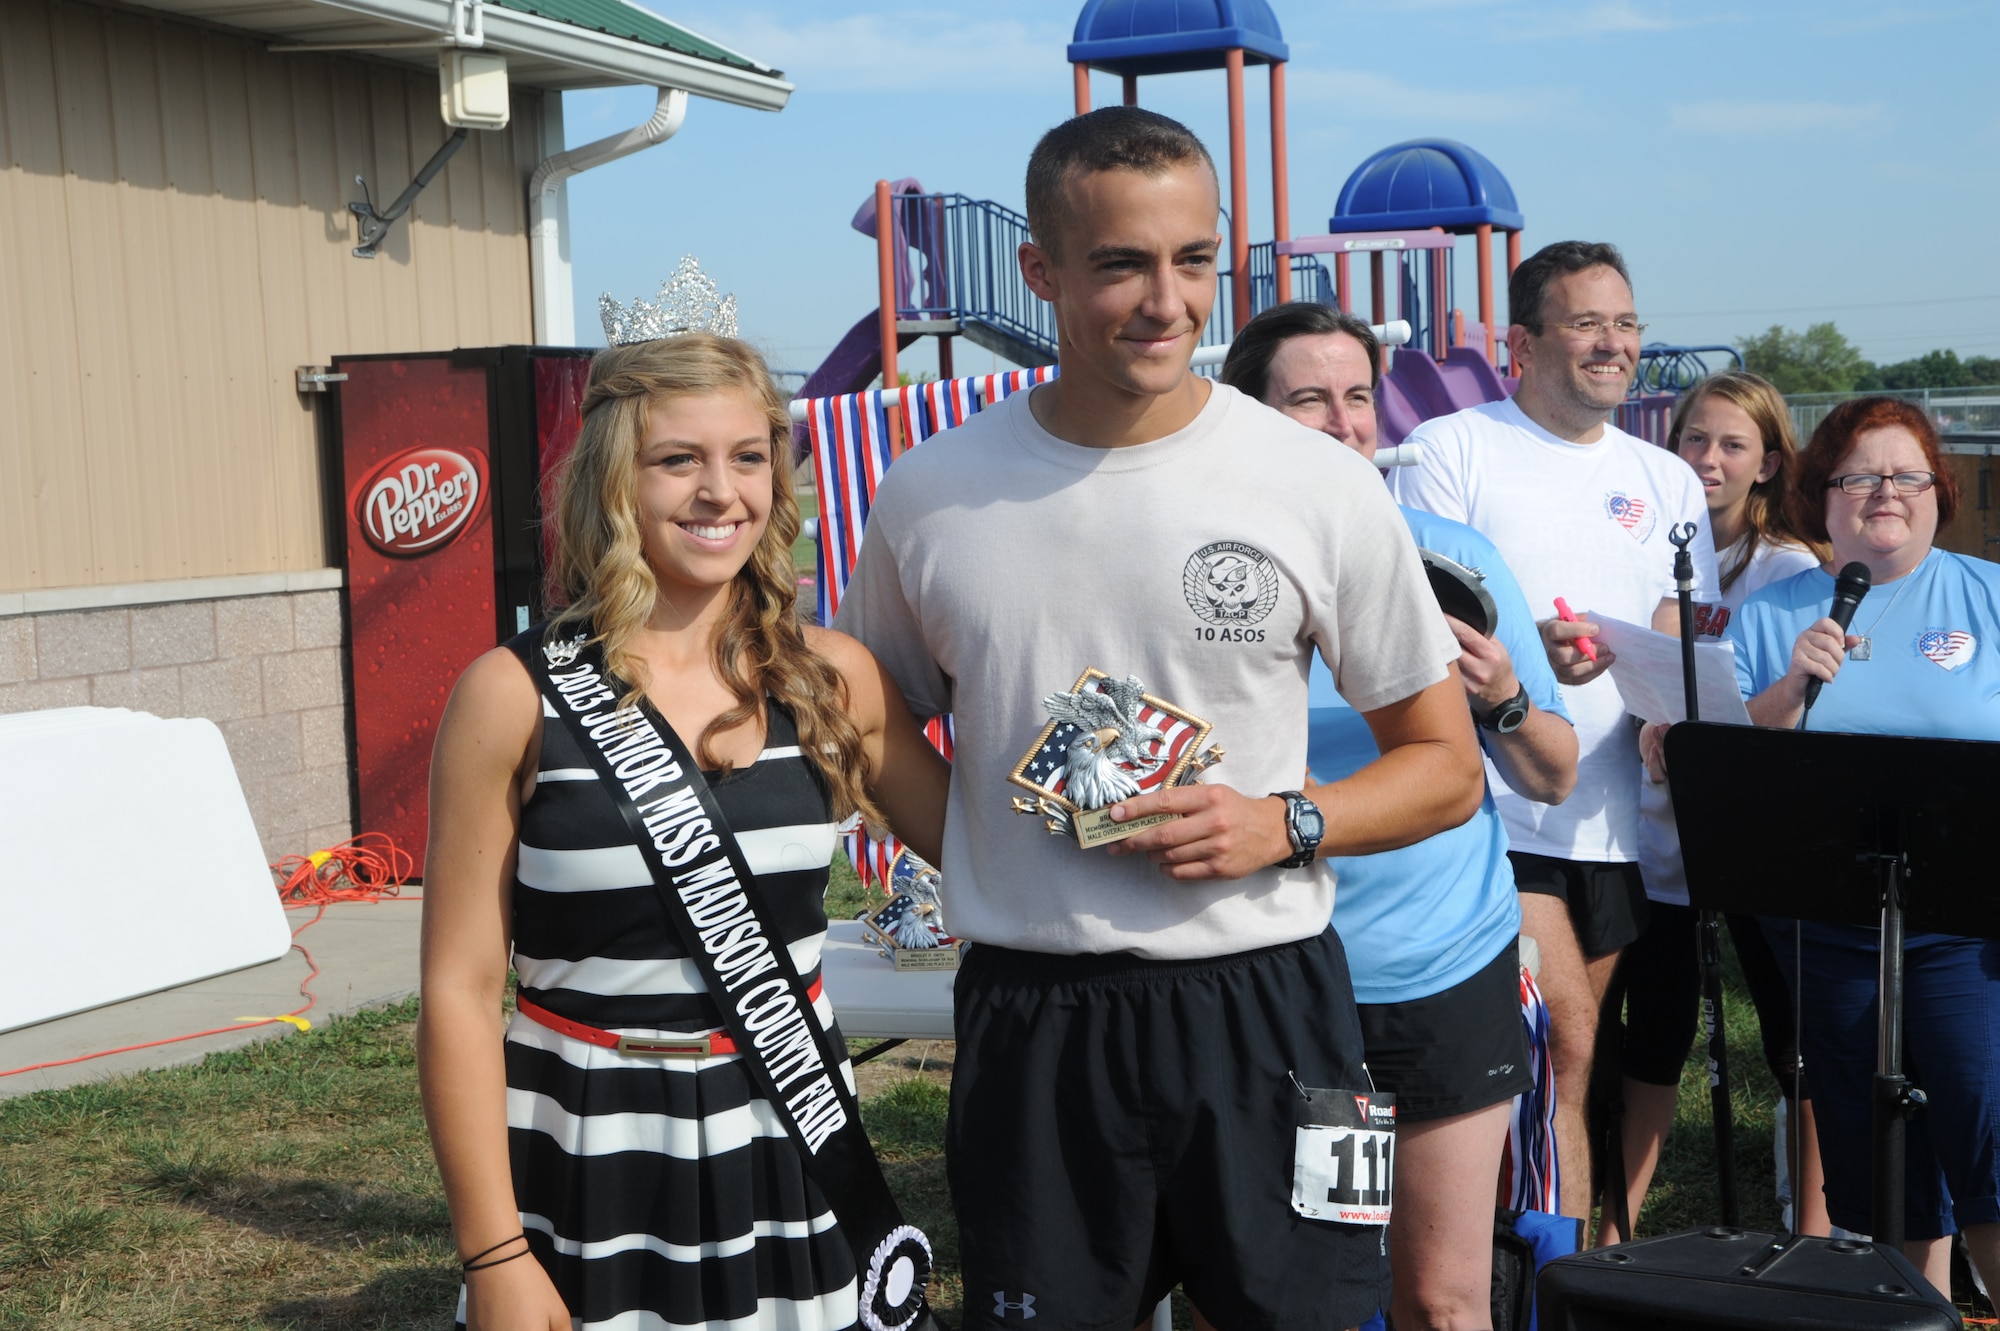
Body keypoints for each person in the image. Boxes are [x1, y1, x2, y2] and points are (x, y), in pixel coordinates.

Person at [835, 107, 1486, 1331]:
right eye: (1119, 263)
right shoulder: (934, 492)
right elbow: (875, 726)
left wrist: (1282, 822)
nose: (1162, 299)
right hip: (1034, 1019)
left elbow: (1444, 766)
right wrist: (987, 850)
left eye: (1191, 260)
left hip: (1269, 1006)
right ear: (1039, 270)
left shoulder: (1319, 483)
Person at [418, 334, 950, 1331]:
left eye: (747, 455)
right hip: (586, 1141)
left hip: (786, 1126)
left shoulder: (831, 680)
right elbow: (456, 986)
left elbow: (987, 853)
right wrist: (493, 1249)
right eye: (678, 459)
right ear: (613, 474)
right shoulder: (509, 694)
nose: (719, 491)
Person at [1220, 302, 1577, 1331]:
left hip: (1432, 972)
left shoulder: (1449, 556)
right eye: (1307, 399)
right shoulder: (1213, 567)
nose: (1342, 424)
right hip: (1272, 976)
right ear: (1248, 416)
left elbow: (1550, 773)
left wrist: (1503, 694)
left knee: (1441, 1294)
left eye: (1357, 397)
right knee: (1287, 1292)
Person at [1394, 241, 1718, 1226]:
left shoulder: (1663, 477)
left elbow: (1676, 628)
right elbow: (1426, 612)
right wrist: (1528, 654)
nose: (1612, 344)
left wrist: (1672, 706)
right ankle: (1519, 1263)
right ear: (1522, 340)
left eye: (1625, 324)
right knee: (1562, 1034)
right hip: (1489, 802)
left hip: (1613, 817)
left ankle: (1555, 1264)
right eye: (1586, 323)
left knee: (1575, 1060)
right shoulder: (1452, 448)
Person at [1729, 395, 2000, 1295]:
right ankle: (1917, 1312)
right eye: (1860, 475)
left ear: (1937, 490)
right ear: (1824, 495)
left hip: (1968, 931)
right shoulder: (1773, 614)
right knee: (1881, 1168)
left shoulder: (1987, 595)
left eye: (1907, 474)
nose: (1886, 490)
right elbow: (1730, 766)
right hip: (1828, 932)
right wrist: (1790, 687)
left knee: (1986, 1138)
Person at [1605, 371, 1831, 1243]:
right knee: (1655, 1033)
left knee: (1792, 1038)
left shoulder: (1790, 570)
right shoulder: (1645, 547)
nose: (1708, 459)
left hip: (1763, 836)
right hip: (1663, 836)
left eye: (1733, 444)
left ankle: (1813, 1230)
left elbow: (1794, 704)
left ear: (1769, 463)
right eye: (1694, 438)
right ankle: (1616, 1233)